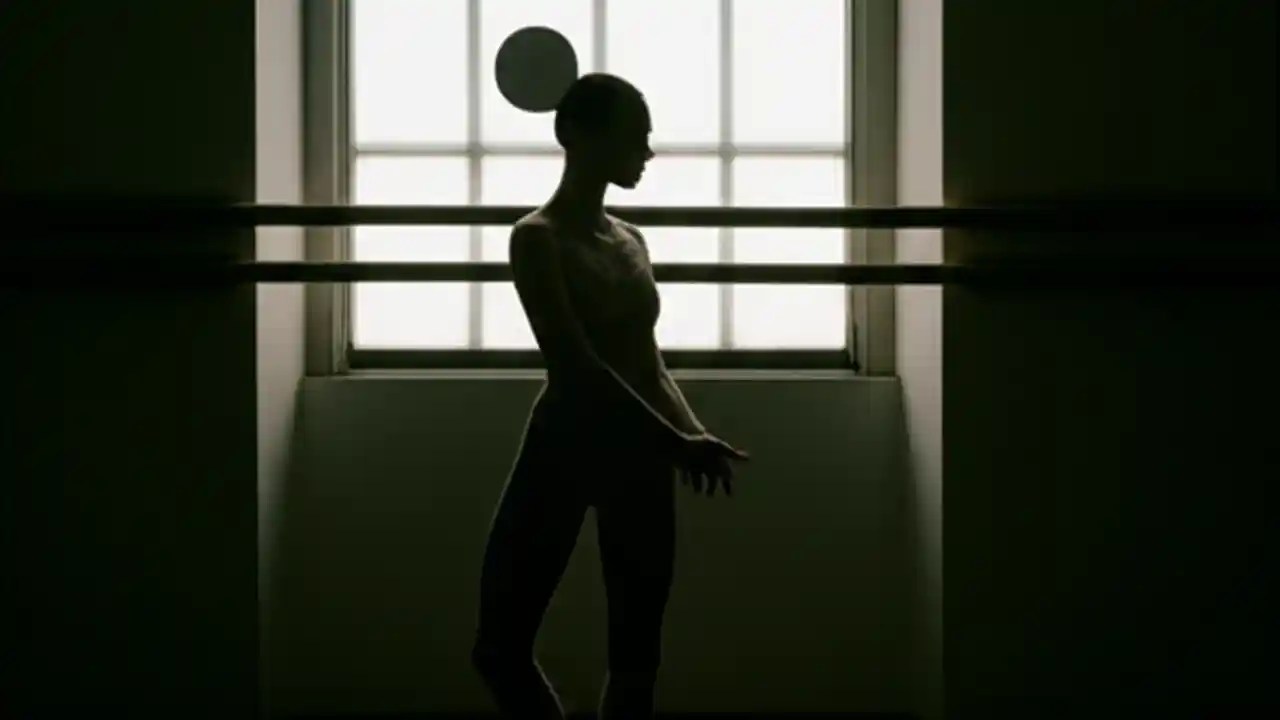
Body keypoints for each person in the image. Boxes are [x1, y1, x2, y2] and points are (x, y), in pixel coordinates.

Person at [470, 73, 750, 720]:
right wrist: (675, 441)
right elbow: (577, 368)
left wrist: (690, 435)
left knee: (636, 660)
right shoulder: (537, 238)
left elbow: (646, 360)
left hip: (639, 459)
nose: (647, 153)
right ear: (578, 137)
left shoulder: (631, 241)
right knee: (499, 648)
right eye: (636, 137)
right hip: (563, 451)